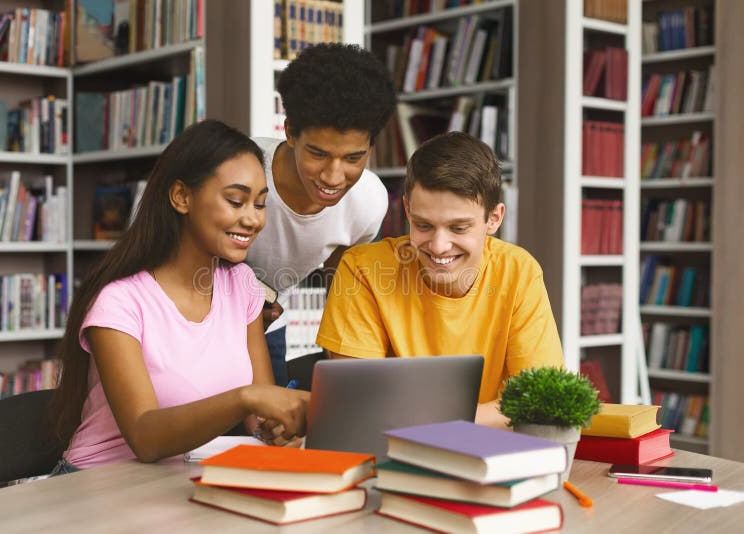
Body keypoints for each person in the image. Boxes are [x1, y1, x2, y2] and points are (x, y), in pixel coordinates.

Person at [48, 120, 309, 472]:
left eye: (260, 204)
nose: (252, 220)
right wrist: (246, 398)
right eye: (236, 200)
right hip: (98, 483)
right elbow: (145, 438)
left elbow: (259, 424)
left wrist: (280, 429)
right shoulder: (120, 302)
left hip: (177, 479)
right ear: (181, 197)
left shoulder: (243, 285)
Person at [315, 132, 564, 428]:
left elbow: (543, 401)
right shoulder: (363, 269)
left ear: (494, 219)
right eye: (423, 225)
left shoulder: (519, 271)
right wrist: (484, 416)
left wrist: (427, 416)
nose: (438, 245)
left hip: (490, 454)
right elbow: (359, 404)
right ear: (407, 209)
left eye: (458, 228)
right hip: (394, 453)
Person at [246, 43, 397, 386]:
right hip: (188, 327)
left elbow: (341, 290)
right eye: (317, 153)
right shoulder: (236, 168)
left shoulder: (369, 200)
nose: (332, 176)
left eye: (353, 158)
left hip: (269, 328)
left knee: (269, 435)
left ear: (371, 147)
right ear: (289, 133)